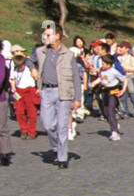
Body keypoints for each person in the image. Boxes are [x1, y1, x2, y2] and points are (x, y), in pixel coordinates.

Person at [32, 24, 78, 168]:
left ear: (57, 36)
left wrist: (77, 98)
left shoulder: (68, 54)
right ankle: (56, 148)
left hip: (63, 92)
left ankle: (63, 158)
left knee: (62, 127)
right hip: (46, 91)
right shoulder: (40, 51)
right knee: (48, 125)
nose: (45, 37)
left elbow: (76, 77)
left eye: (48, 35)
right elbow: (28, 60)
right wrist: (33, 69)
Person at [88, 58, 124, 141]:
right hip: (104, 92)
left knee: (111, 110)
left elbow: (124, 79)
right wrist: (93, 83)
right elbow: (101, 79)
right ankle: (114, 124)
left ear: (109, 64)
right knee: (105, 112)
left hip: (113, 92)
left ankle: (115, 132)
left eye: (104, 64)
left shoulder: (114, 72)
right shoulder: (102, 71)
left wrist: (122, 90)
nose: (102, 65)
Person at [8, 46, 39, 140]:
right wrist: (13, 88)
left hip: (30, 90)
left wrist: (37, 88)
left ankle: (32, 132)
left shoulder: (28, 67)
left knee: (31, 112)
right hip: (19, 91)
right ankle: (24, 130)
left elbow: (36, 77)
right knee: (19, 112)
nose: (19, 68)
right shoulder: (14, 69)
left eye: (20, 66)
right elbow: (12, 79)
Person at [114, 41, 134, 117]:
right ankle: (124, 112)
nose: (120, 49)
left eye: (122, 47)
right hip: (121, 78)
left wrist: (127, 69)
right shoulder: (118, 58)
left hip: (130, 77)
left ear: (127, 49)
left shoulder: (131, 58)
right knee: (122, 95)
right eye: (119, 47)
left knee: (133, 95)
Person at [0, 46, 11, 166]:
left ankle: (4, 153)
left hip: (0, 98)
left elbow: (1, 77)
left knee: (2, 128)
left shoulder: (1, 59)